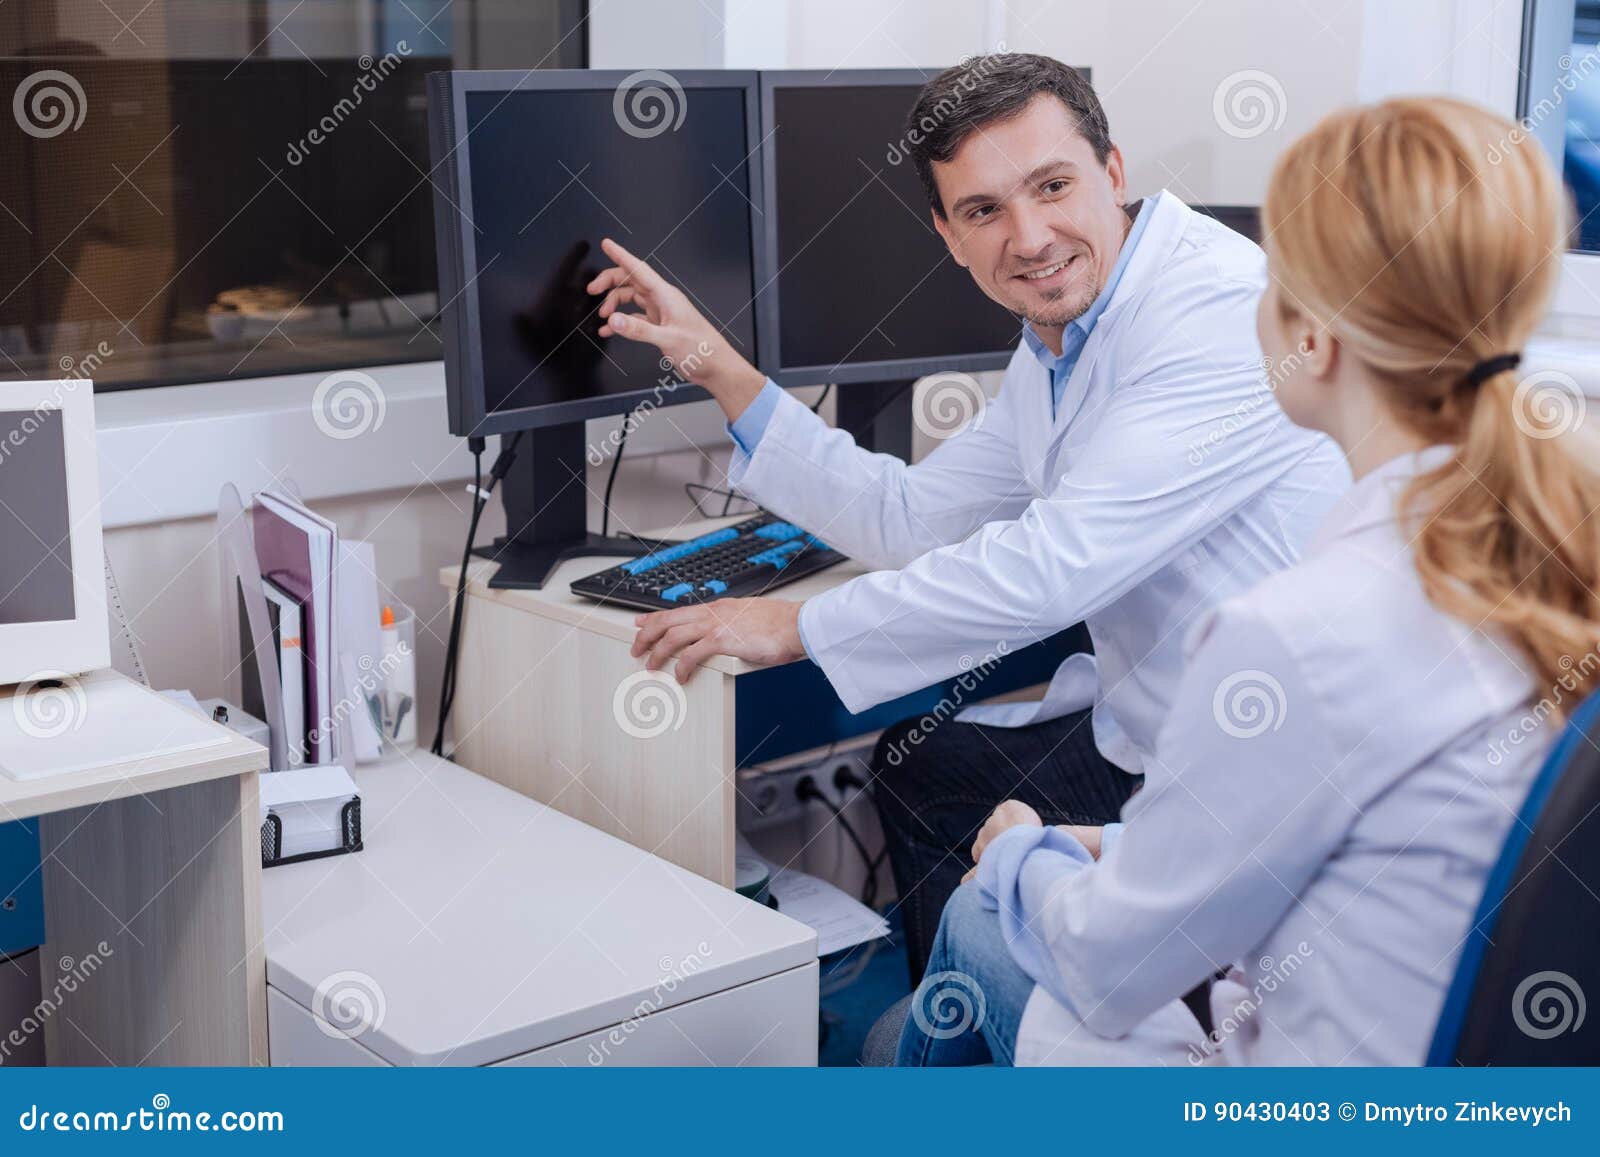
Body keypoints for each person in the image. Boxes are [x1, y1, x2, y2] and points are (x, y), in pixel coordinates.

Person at [588, 53, 1347, 980]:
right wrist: (719, 367)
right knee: (924, 765)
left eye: (1052, 186)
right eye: (984, 211)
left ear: (1113, 173)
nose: (1028, 237)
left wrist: (795, 625)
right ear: (948, 234)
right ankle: (970, 1015)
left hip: (1264, 782)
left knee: (939, 782)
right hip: (1161, 730)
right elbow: (911, 518)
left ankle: (994, 1027)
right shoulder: (1063, 335)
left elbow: (1053, 567)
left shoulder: (1216, 315)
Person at [895, 94, 1598, 1066]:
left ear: (1310, 333)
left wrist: (1020, 852)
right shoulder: (1545, 546)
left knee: (978, 918)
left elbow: (1109, 965)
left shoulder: (1296, 634)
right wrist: (1105, 846)